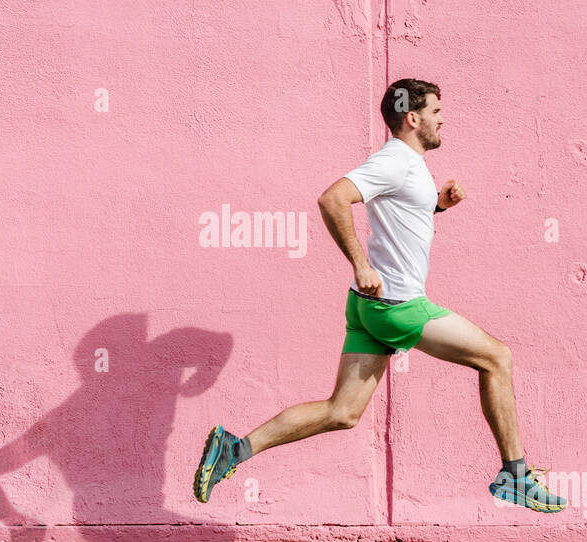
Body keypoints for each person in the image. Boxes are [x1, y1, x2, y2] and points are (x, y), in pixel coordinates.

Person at [194, 79, 567, 513]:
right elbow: (332, 199)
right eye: (436, 112)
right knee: (497, 357)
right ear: (413, 118)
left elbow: (398, 211)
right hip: (397, 307)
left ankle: (233, 450)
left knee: (342, 412)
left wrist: (438, 205)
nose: (443, 118)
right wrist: (360, 264)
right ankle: (516, 476)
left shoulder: (409, 165)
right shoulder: (395, 161)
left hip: (368, 307)